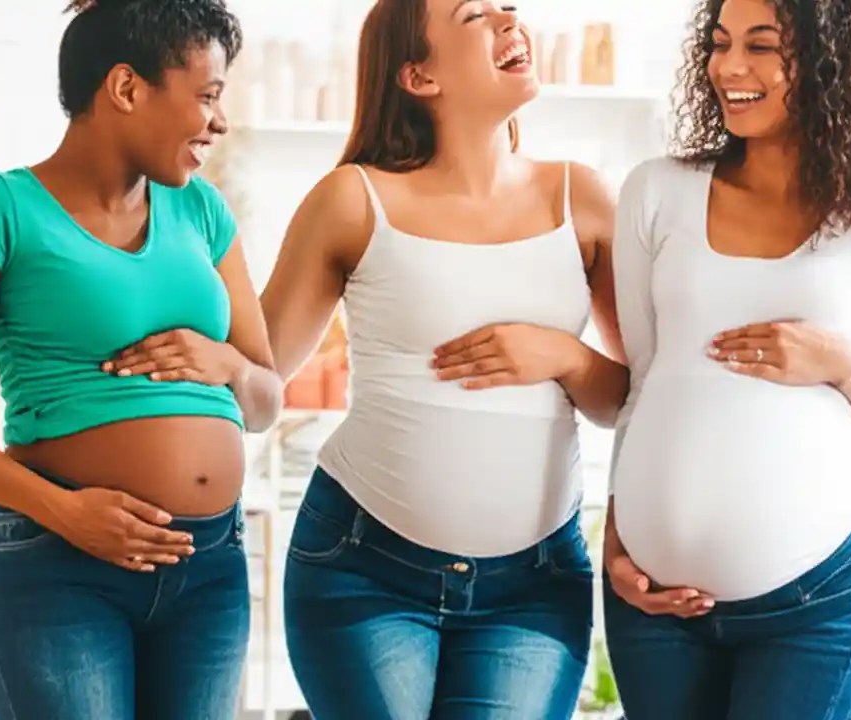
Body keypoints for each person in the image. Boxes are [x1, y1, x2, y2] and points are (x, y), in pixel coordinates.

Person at [0, 1, 280, 718]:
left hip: (209, 568)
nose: (219, 123)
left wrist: (227, 365)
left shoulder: (204, 213)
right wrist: (66, 513)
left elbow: (265, 399)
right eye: (208, 96)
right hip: (57, 563)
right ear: (126, 88)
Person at [258, 0, 628, 717]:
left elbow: (627, 398)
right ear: (418, 74)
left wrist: (564, 357)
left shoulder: (579, 196)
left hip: (533, 585)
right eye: (475, 16)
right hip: (363, 569)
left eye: (508, 10)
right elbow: (257, 375)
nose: (508, 23)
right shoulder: (353, 200)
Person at [601, 0, 851, 717]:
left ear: (835, 66)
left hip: (818, 606)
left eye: (762, 46)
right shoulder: (655, 191)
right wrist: (618, 545)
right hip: (655, 608)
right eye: (720, 41)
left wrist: (842, 362)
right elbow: (645, 389)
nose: (729, 67)